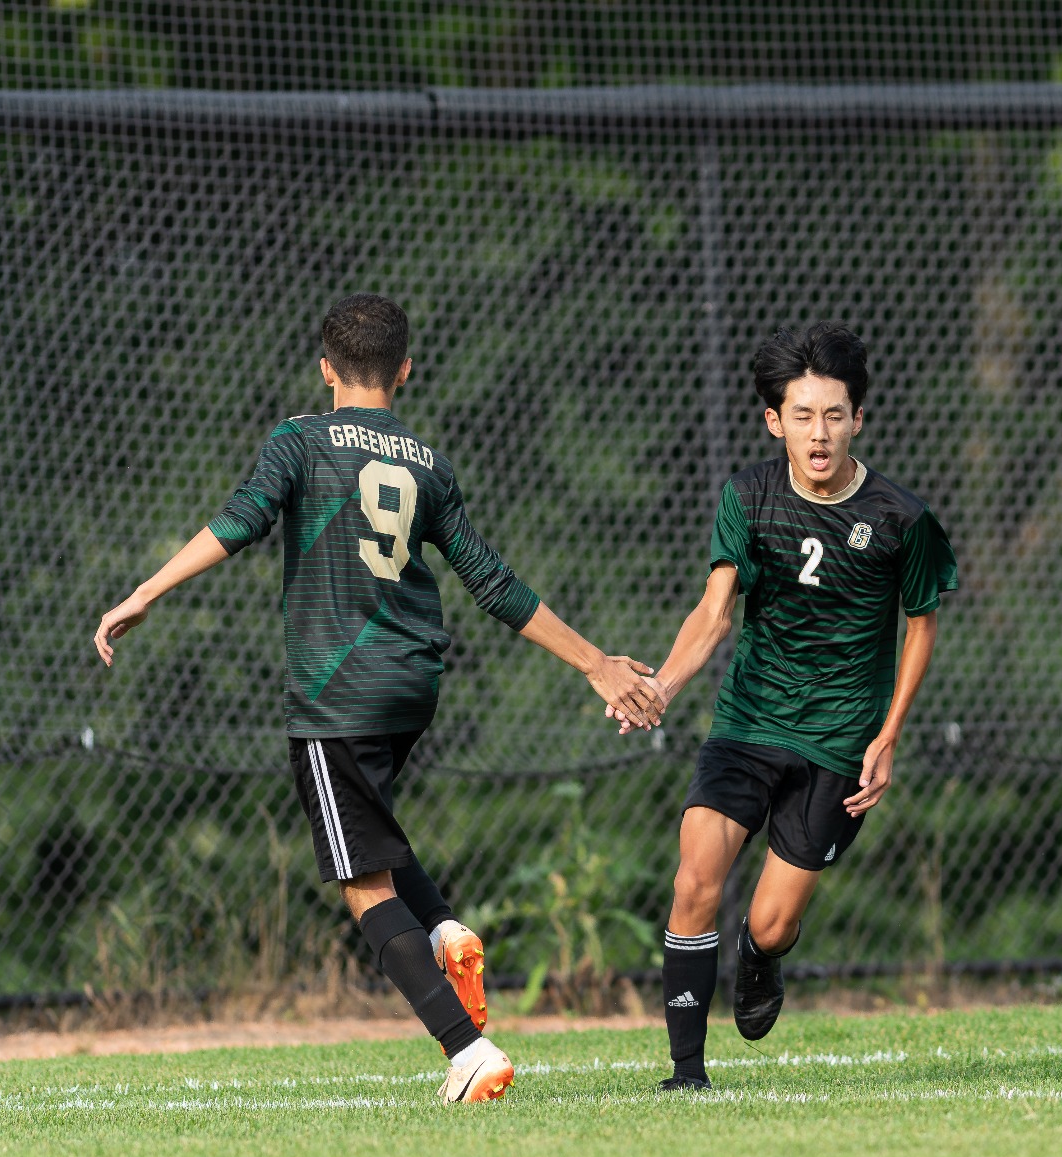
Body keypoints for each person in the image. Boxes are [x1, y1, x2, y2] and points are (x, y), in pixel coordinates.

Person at [93, 293, 660, 1103]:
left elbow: (241, 520)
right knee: (372, 831)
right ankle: (442, 929)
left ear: (326, 367)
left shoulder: (298, 440)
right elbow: (492, 582)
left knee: (362, 886)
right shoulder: (429, 462)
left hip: (337, 693)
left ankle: (466, 1051)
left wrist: (147, 589)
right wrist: (594, 661)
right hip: (411, 683)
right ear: (405, 368)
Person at [620, 322, 957, 1091]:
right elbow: (713, 613)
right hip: (748, 722)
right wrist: (664, 688)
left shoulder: (903, 519)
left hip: (839, 739)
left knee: (771, 921)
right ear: (775, 421)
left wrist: (889, 735)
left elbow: (922, 624)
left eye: (834, 415)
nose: (819, 432)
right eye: (802, 415)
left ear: (858, 420)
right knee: (695, 873)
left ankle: (761, 956)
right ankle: (686, 1074)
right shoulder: (748, 495)